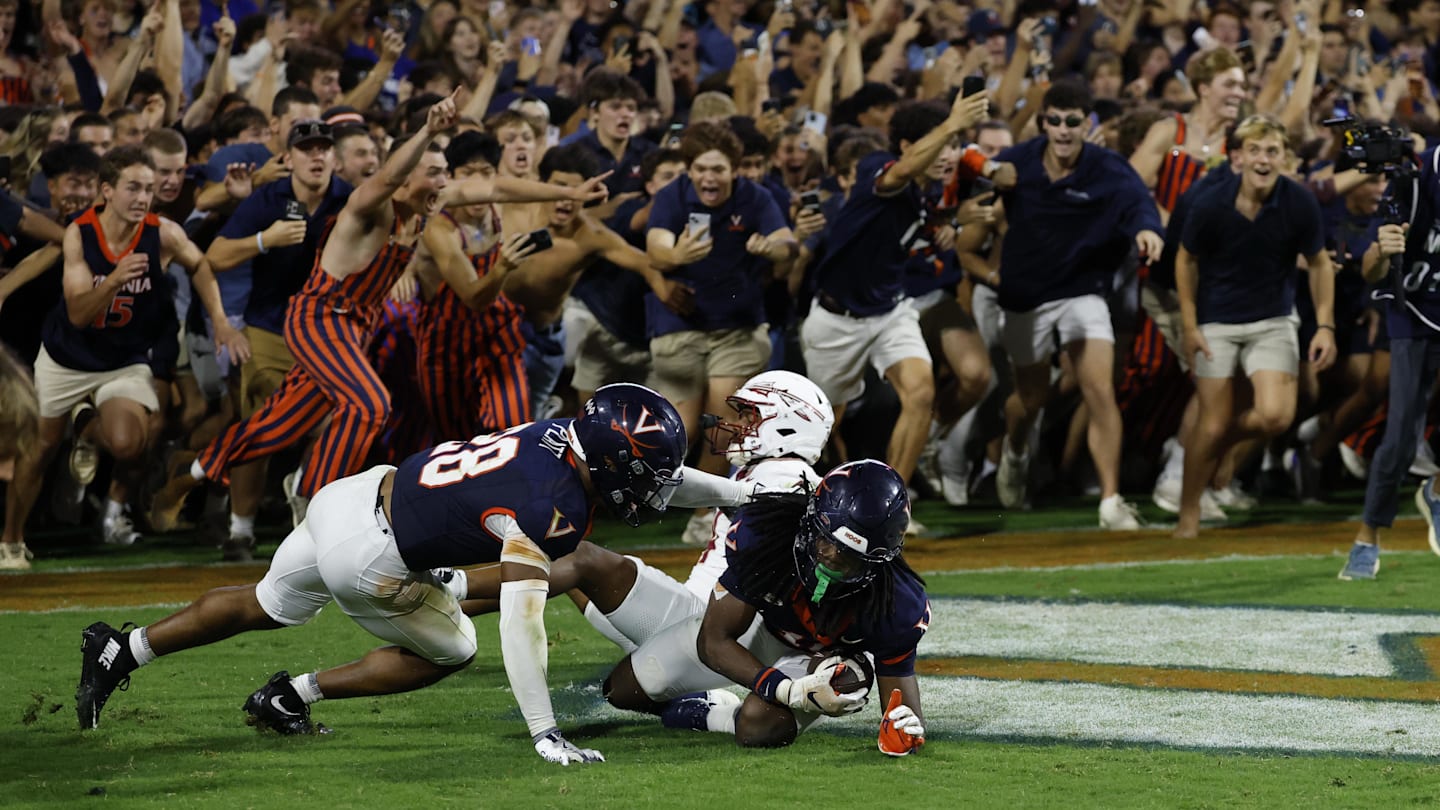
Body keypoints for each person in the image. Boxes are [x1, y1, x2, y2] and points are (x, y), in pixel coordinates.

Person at [76, 384, 752, 765]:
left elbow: (662, 477)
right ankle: (297, 693)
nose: (654, 489)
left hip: (352, 496)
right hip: (374, 558)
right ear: (605, 460)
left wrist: (747, 496)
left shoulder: (559, 430)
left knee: (264, 602)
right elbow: (523, 623)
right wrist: (545, 730)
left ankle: (124, 649)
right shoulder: (554, 509)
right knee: (457, 646)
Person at [149, 90, 611, 529]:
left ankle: (190, 472)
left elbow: (495, 186)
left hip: (355, 330)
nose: (442, 183)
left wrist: (565, 195)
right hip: (319, 316)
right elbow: (389, 176)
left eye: (443, 174)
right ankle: (314, 500)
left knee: (278, 425)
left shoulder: (433, 198)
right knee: (369, 404)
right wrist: (428, 131)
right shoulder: (368, 205)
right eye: (431, 172)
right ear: (405, 172)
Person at [4, 147, 249, 554]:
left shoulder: (164, 233)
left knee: (129, 444)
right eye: (132, 188)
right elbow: (79, 314)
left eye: (149, 189)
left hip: (124, 359)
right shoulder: (79, 234)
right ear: (107, 191)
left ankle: (84, 425)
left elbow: (201, 265)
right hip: (67, 356)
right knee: (41, 449)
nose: (142, 198)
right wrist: (115, 280)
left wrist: (221, 320)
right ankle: (10, 540)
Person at [602, 460, 928, 755]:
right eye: (824, 539)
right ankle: (709, 706)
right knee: (621, 690)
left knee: (755, 727)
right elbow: (714, 640)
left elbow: (902, 708)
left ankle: (718, 717)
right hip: (761, 628)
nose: (828, 556)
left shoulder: (897, 600)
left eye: (847, 557)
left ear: (877, 562)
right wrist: (785, 690)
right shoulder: (766, 532)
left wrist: (904, 734)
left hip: (823, 660)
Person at [801, 89, 997, 529]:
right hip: (837, 319)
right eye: (940, 142)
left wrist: (949, 224)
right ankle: (792, 502)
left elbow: (921, 228)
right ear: (907, 145)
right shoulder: (876, 164)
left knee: (921, 391)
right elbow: (899, 175)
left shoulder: (928, 197)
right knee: (820, 426)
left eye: (953, 144)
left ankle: (891, 508)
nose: (949, 153)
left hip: (890, 311)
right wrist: (951, 121)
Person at [983, 80, 1161, 527]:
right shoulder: (1016, 162)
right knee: (1031, 398)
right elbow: (965, 179)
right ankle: (1017, 451)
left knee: (1100, 390)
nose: (1063, 130)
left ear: (1088, 124)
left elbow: (1140, 203)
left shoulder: (1108, 167)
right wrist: (983, 173)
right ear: (1043, 122)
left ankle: (1110, 500)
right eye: (1055, 120)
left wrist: (1147, 230)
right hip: (1026, 293)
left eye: (1073, 121)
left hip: (1083, 291)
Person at [1173, 114, 1335, 539]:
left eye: (1273, 151)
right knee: (1210, 422)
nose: (1264, 159)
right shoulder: (1207, 201)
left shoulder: (1299, 202)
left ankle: (1221, 446)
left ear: (1285, 157)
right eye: (1255, 150)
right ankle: (1188, 511)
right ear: (1238, 157)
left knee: (1275, 416)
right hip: (1216, 320)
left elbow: (1319, 263)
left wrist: (1326, 326)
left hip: (1273, 318)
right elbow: (1184, 260)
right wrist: (1189, 325)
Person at [200, 119, 352, 559]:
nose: (317, 156)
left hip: (328, 331)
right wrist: (265, 239)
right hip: (271, 327)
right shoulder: (268, 198)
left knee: (337, 422)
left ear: (335, 158)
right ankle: (241, 529)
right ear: (288, 158)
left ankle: (309, 505)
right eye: (307, 149)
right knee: (262, 425)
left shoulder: (348, 197)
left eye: (325, 148)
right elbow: (215, 256)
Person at [1344, 145, 1440, 579]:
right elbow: (1369, 270)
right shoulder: (1414, 177)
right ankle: (1368, 536)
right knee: (1401, 435)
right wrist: (1382, 251)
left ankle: (1436, 489)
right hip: (1415, 311)